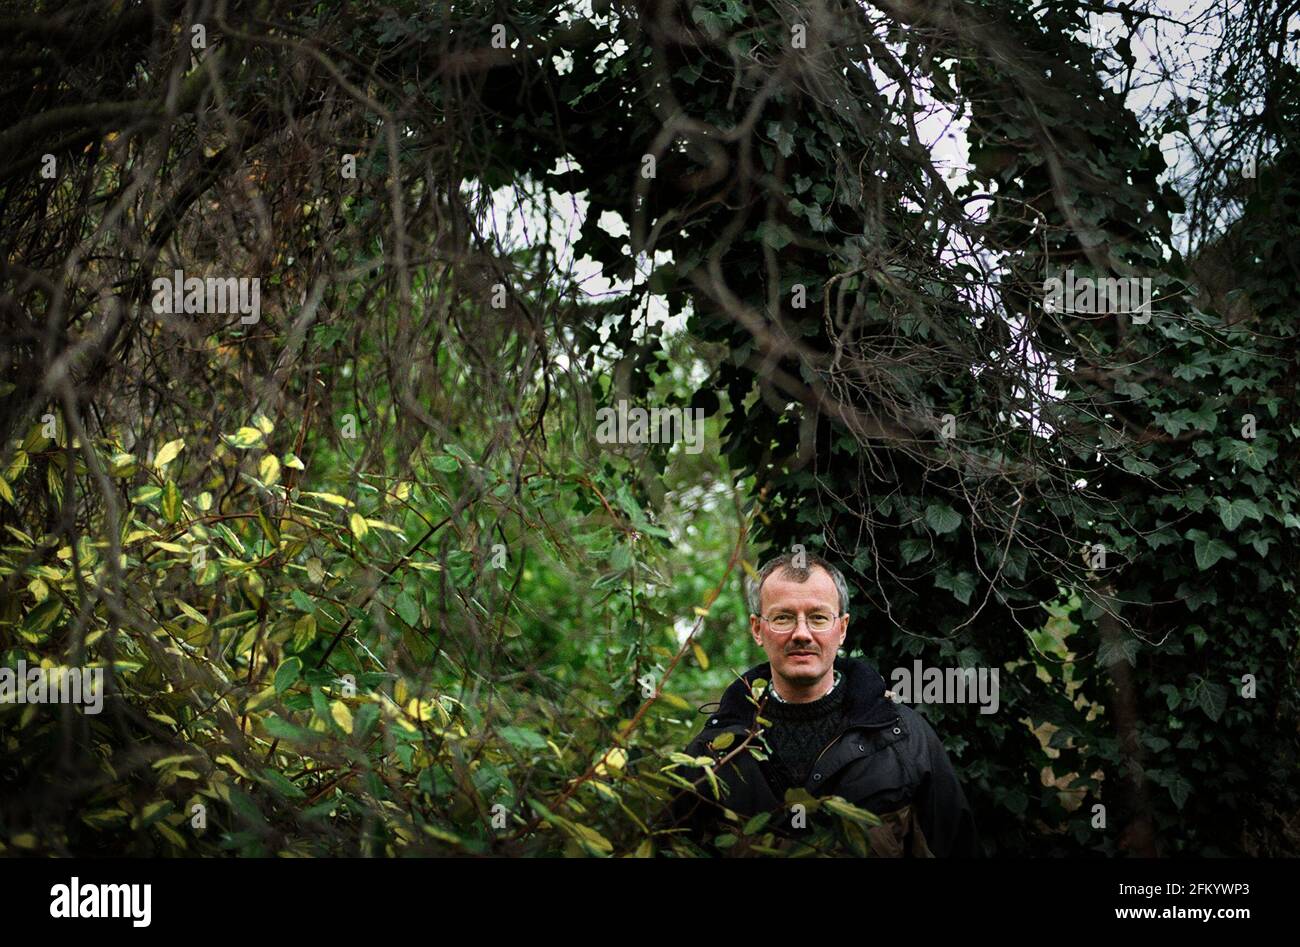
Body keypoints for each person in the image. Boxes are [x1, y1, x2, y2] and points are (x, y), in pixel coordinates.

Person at [664, 551, 980, 856]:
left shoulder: (906, 739)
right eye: (783, 618)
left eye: (817, 618)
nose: (801, 634)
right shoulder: (713, 754)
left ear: (841, 629)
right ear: (758, 629)